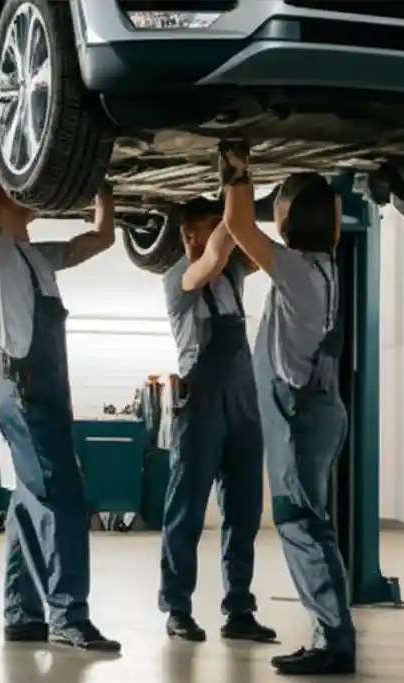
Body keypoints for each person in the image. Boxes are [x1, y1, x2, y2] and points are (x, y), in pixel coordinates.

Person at [0, 134, 121, 653]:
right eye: (13, 189)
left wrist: (102, 185)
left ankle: (22, 613)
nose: (26, 190)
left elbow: (99, 239)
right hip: (28, 395)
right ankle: (68, 615)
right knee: (63, 498)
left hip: (46, 395)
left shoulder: (37, 257)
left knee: (28, 500)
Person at [218, 141, 356, 676]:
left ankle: (334, 640)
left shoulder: (297, 270)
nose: (272, 213)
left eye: (280, 205)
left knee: (300, 524)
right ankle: (331, 631)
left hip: (298, 416)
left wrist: (236, 164)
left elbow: (237, 227)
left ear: (293, 218)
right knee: (312, 524)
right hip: (317, 412)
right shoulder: (327, 266)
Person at [158, 196, 277, 644]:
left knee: (244, 511)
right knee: (185, 510)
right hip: (201, 403)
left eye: (210, 227)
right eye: (190, 229)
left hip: (243, 402)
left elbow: (252, 250)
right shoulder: (179, 278)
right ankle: (177, 608)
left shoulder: (232, 272)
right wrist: (234, 194)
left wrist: (253, 208)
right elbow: (211, 258)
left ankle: (240, 609)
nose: (194, 237)